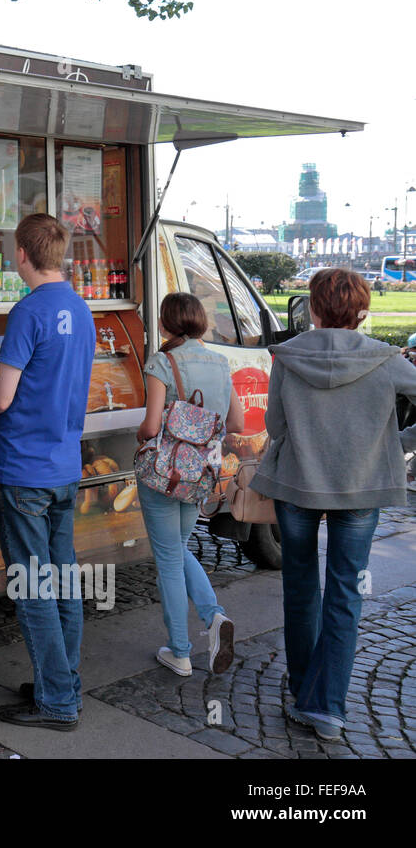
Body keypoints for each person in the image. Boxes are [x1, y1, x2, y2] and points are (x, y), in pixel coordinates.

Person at [250, 268, 416, 741]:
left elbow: (277, 425)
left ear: (314, 309)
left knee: (301, 590)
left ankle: (305, 692)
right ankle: (326, 708)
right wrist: (400, 441)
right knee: (345, 593)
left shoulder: (287, 355)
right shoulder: (385, 359)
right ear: (361, 311)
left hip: (297, 485)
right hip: (362, 487)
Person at [0, 213, 95, 731]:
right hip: (63, 465)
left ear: (23, 256)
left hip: (23, 468)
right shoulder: (81, 307)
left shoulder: (27, 312)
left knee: (33, 588)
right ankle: (63, 684)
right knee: (62, 581)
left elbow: (3, 398)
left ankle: (56, 703)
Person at [136, 293, 244, 677]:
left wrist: (148, 433)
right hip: (201, 473)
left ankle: (180, 650)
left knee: (168, 557)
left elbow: (150, 427)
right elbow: (237, 423)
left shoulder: (162, 362)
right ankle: (213, 619)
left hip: (165, 474)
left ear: (166, 323)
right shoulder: (219, 362)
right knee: (178, 549)